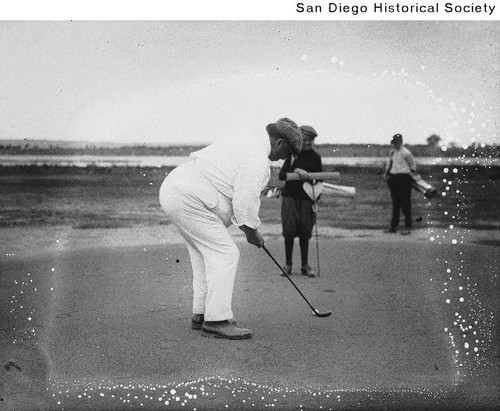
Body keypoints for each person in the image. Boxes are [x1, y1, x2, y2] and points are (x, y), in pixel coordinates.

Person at [159, 118, 302, 340]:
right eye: (287, 152)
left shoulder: (248, 138)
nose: (283, 158)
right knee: (225, 253)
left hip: (175, 188)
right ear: (279, 142)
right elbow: (244, 203)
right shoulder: (257, 157)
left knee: (204, 253)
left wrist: (251, 229)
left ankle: (202, 313)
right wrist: (253, 232)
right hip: (188, 196)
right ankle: (216, 320)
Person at [278, 125, 322, 278]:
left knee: (305, 232)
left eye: (310, 140)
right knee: (289, 232)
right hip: (290, 197)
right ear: (299, 140)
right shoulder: (292, 155)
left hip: (307, 199)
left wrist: (316, 200)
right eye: (304, 140)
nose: (307, 143)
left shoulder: (316, 158)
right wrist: (297, 171)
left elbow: (320, 181)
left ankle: (305, 265)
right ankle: (288, 265)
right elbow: (282, 175)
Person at [383, 133, 417, 235]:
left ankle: (408, 227)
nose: (395, 145)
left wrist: (409, 175)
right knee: (395, 203)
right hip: (393, 179)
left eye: (397, 143)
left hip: (404, 179)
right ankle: (393, 226)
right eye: (394, 143)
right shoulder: (392, 152)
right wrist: (386, 174)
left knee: (405, 203)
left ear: (401, 142)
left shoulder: (406, 152)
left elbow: (413, 165)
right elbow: (389, 164)